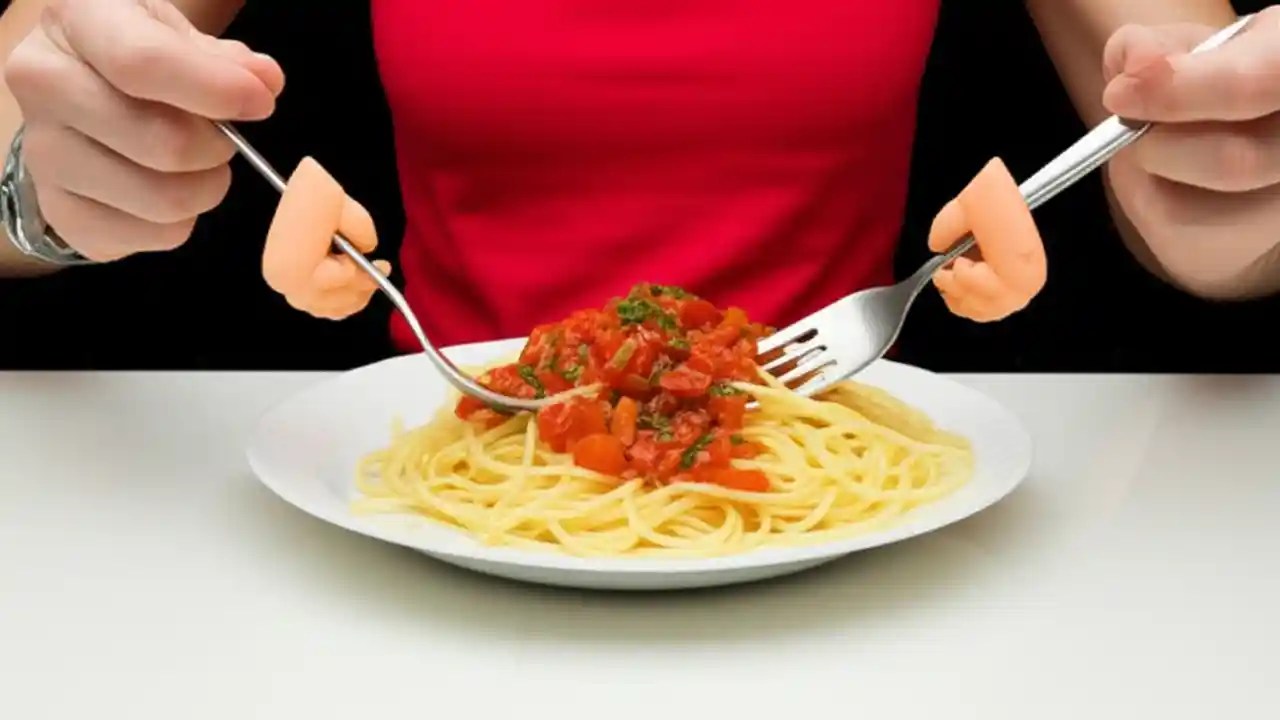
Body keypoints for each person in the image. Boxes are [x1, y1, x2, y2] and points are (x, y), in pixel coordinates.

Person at [1, 0, 1279, 352]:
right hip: (438, 505)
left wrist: (1228, 214)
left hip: (834, 518)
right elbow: (43, 79)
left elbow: (1178, 99)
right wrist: (37, 185)